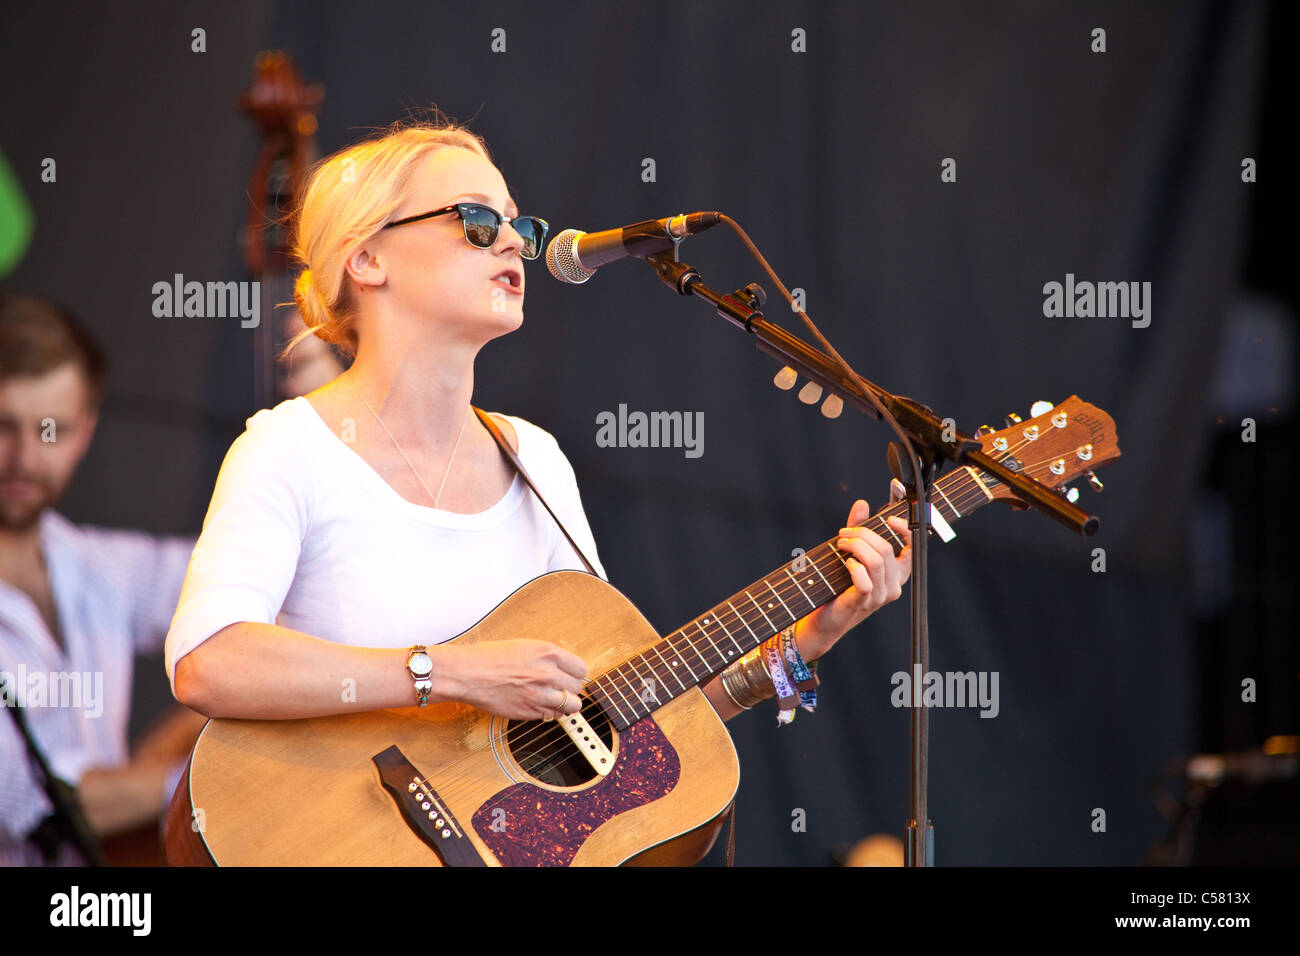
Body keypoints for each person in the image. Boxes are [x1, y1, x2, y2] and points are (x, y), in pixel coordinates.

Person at [167, 118, 911, 741]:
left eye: (518, 225)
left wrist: (810, 637)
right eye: (476, 221)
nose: (514, 244)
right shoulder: (288, 448)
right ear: (366, 257)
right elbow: (209, 661)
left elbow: (623, 723)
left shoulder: (536, 461)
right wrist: (449, 673)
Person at [0, 293, 205, 865]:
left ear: (86, 430)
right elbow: (46, 807)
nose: (23, 458)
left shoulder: (94, 563)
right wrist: (199, 778)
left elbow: (249, 587)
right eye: (2, 426)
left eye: (52, 431)